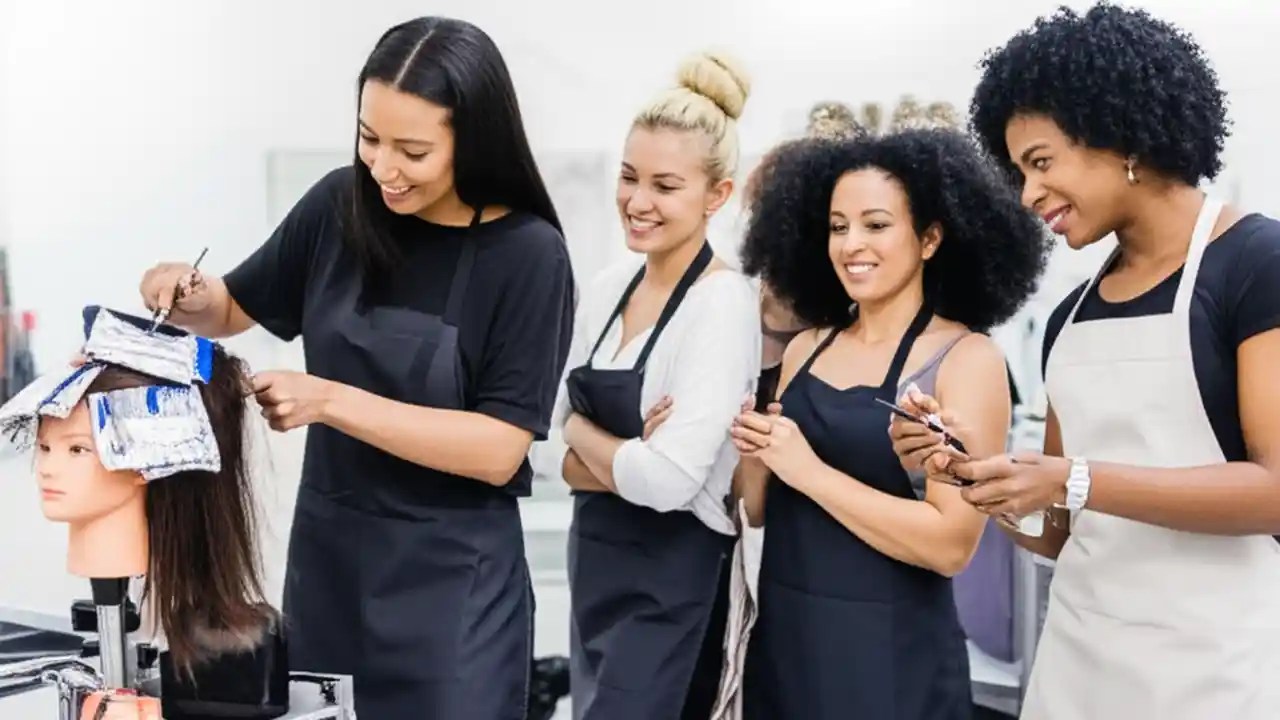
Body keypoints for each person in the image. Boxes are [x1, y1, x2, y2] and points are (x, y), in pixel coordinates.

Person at [136, 17, 574, 719]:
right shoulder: (338, 206)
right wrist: (186, 291)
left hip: (453, 602)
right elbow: (233, 306)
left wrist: (330, 401)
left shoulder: (527, 255)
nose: (384, 169)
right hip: (330, 573)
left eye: (413, 151)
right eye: (370, 138)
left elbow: (498, 450)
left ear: (474, 140)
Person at [918, 5, 1280, 718]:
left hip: (1218, 671)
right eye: (1019, 172)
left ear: (1121, 133)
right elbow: (1059, 531)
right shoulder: (1071, 318)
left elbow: (1273, 490)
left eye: (1041, 162)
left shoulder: (1256, 266)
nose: (1028, 194)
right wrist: (980, 480)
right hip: (1079, 666)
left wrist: (1073, 477)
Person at [734, 128, 1050, 719]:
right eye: (838, 227)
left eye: (876, 225)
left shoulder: (966, 359)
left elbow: (950, 545)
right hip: (787, 642)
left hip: (891, 658)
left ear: (930, 238)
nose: (851, 244)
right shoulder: (804, 349)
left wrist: (807, 471)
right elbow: (756, 511)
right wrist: (755, 456)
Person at [553, 50, 761, 720]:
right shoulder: (609, 286)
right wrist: (626, 455)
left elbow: (669, 484)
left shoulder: (721, 305)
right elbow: (542, 448)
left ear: (716, 196)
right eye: (629, 177)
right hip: (595, 578)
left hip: (671, 590)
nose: (637, 202)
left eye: (665, 186)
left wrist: (580, 432)